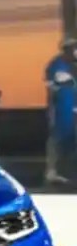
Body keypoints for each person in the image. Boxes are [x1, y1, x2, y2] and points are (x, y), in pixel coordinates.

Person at [45, 37, 77, 184]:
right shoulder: (57, 65)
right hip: (63, 109)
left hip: (71, 108)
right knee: (59, 139)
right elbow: (54, 88)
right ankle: (53, 171)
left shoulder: (71, 64)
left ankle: (67, 171)